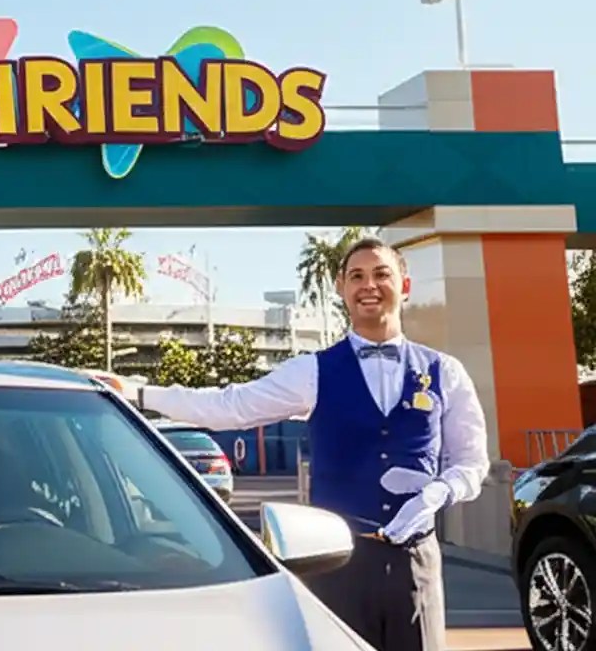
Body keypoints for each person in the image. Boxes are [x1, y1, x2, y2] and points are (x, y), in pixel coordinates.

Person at [137, 237, 489, 651]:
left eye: (381, 274)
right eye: (356, 276)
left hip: (416, 561)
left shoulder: (445, 371)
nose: (369, 285)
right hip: (336, 562)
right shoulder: (313, 372)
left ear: (405, 286)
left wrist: (438, 493)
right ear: (341, 288)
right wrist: (141, 394)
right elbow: (230, 406)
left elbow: (472, 462)